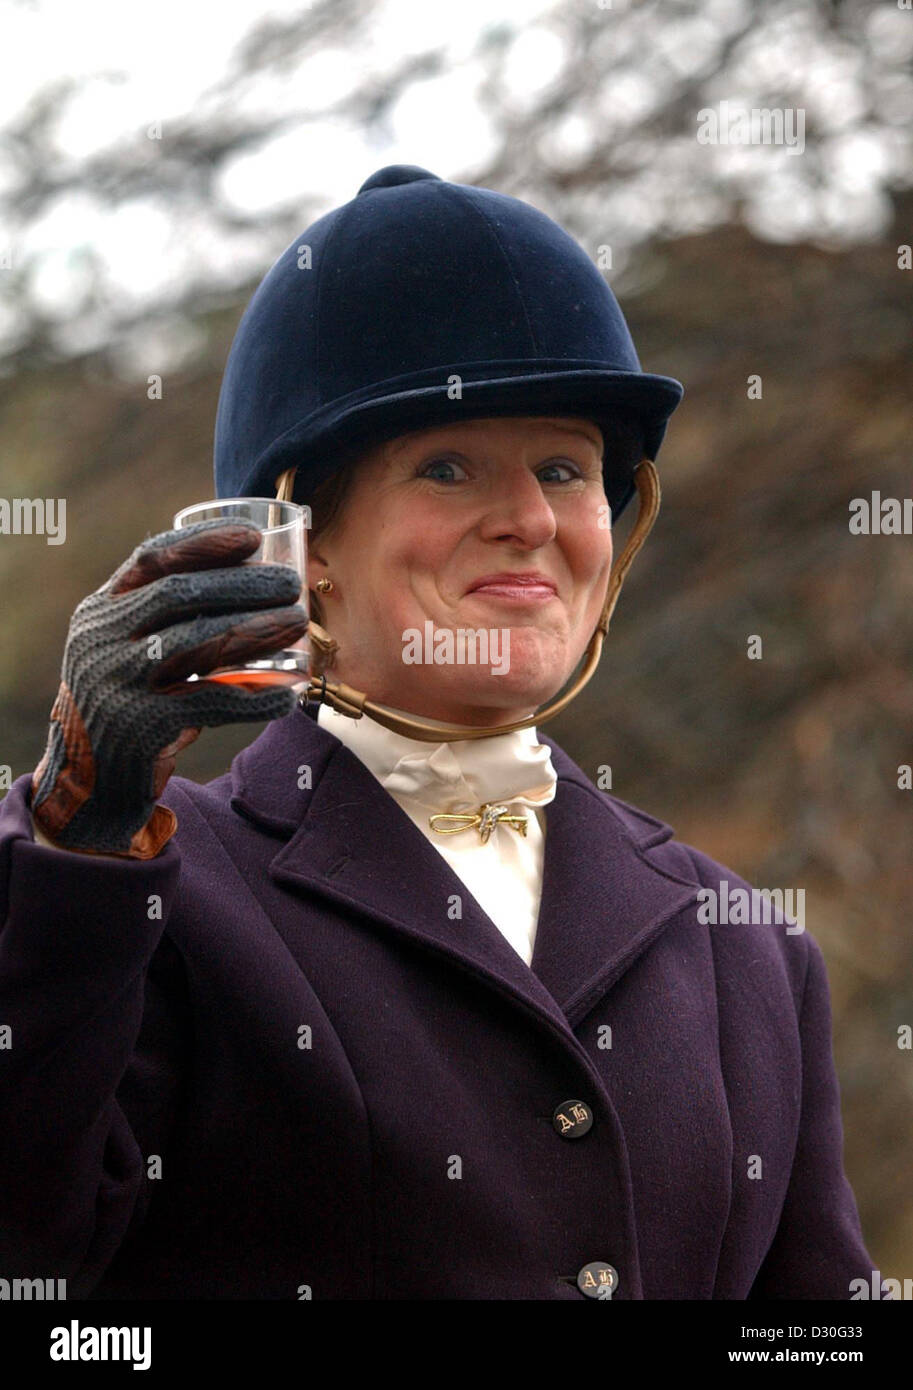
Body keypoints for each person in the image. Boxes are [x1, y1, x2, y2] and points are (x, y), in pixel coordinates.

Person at [0, 165, 883, 1300]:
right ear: (301, 545)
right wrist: (70, 846)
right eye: (448, 466)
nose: (526, 519)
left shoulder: (750, 950)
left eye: (564, 469)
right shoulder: (144, 899)